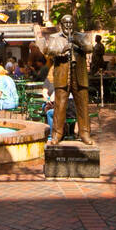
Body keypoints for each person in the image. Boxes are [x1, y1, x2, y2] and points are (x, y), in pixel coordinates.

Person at [39, 13, 95, 146]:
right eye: (66, 23)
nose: (68, 26)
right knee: (60, 107)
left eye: (71, 23)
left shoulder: (81, 36)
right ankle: (57, 135)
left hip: (79, 76)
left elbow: (89, 47)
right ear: (61, 25)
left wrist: (76, 41)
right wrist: (62, 50)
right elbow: (49, 50)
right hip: (62, 76)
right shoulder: (54, 38)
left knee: (82, 107)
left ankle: (85, 133)